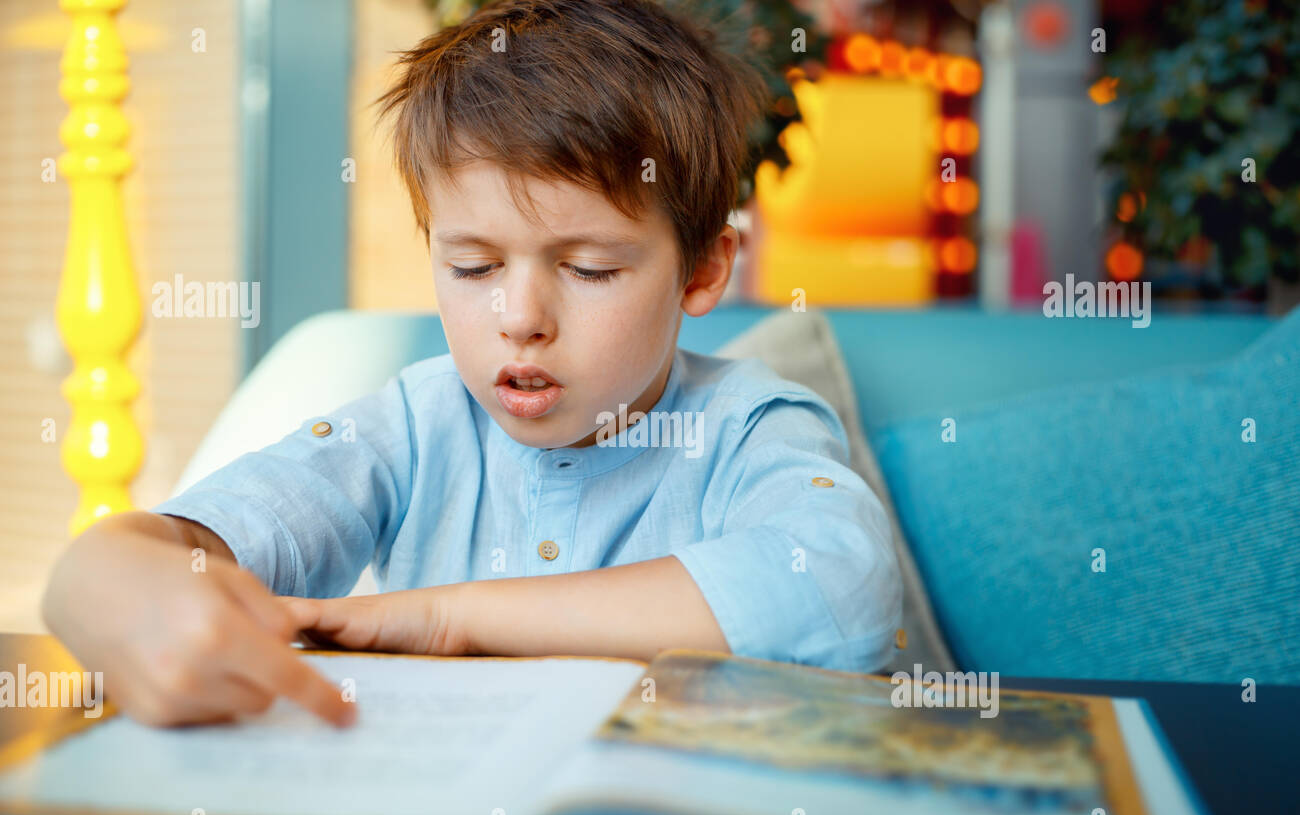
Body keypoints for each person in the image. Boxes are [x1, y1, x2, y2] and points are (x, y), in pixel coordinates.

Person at [41, 0, 901, 728]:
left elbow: (842, 586)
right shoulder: (414, 427)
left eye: (589, 268)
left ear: (705, 268)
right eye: (473, 267)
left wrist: (450, 618)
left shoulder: (751, 426)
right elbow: (179, 547)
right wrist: (101, 581)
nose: (518, 319)